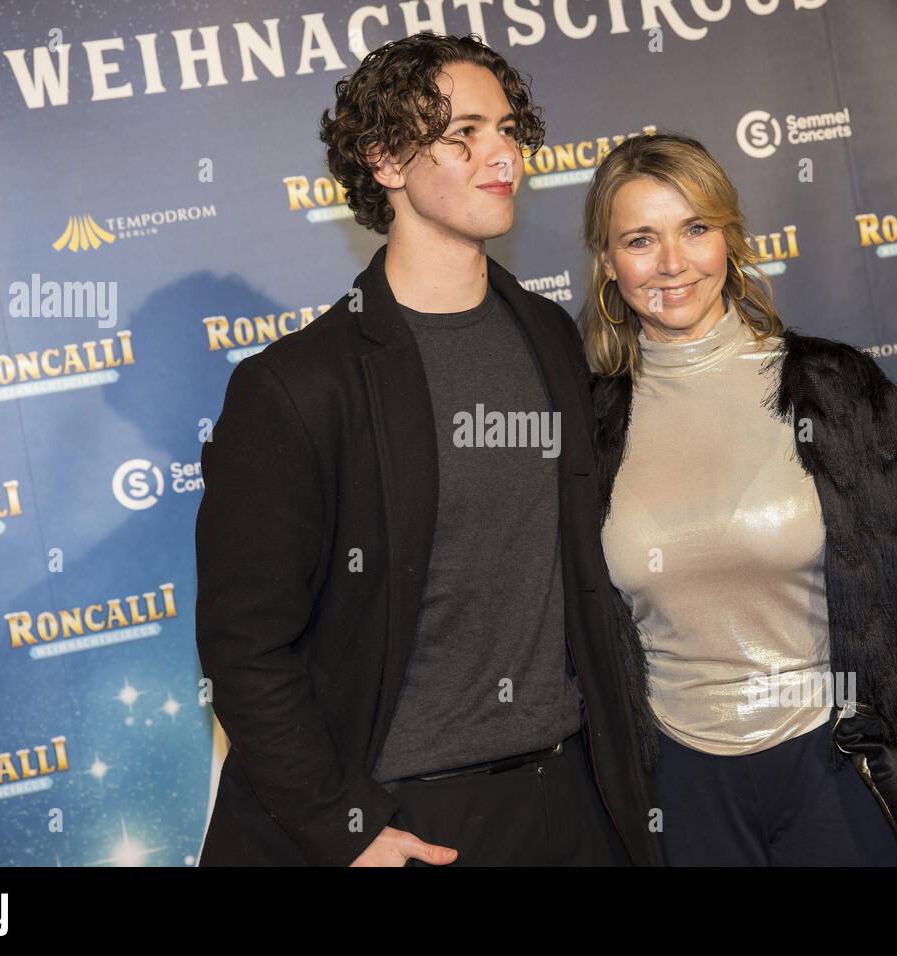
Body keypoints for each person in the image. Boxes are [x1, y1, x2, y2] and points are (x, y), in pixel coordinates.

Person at [194, 32, 662, 867]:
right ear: (384, 160)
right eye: (464, 135)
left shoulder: (550, 334)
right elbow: (246, 648)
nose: (503, 157)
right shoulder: (299, 386)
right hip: (407, 819)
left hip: (572, 799)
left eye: (510, 131)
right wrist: (349, 829)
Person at [580, 132, 897, 866]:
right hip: (680, 788)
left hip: (837, 769)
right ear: (609, 264)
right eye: (641, 239)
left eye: (696, 229)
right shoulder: (588, 427)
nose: (672, 263)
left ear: (730, 239)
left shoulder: (836, 388)